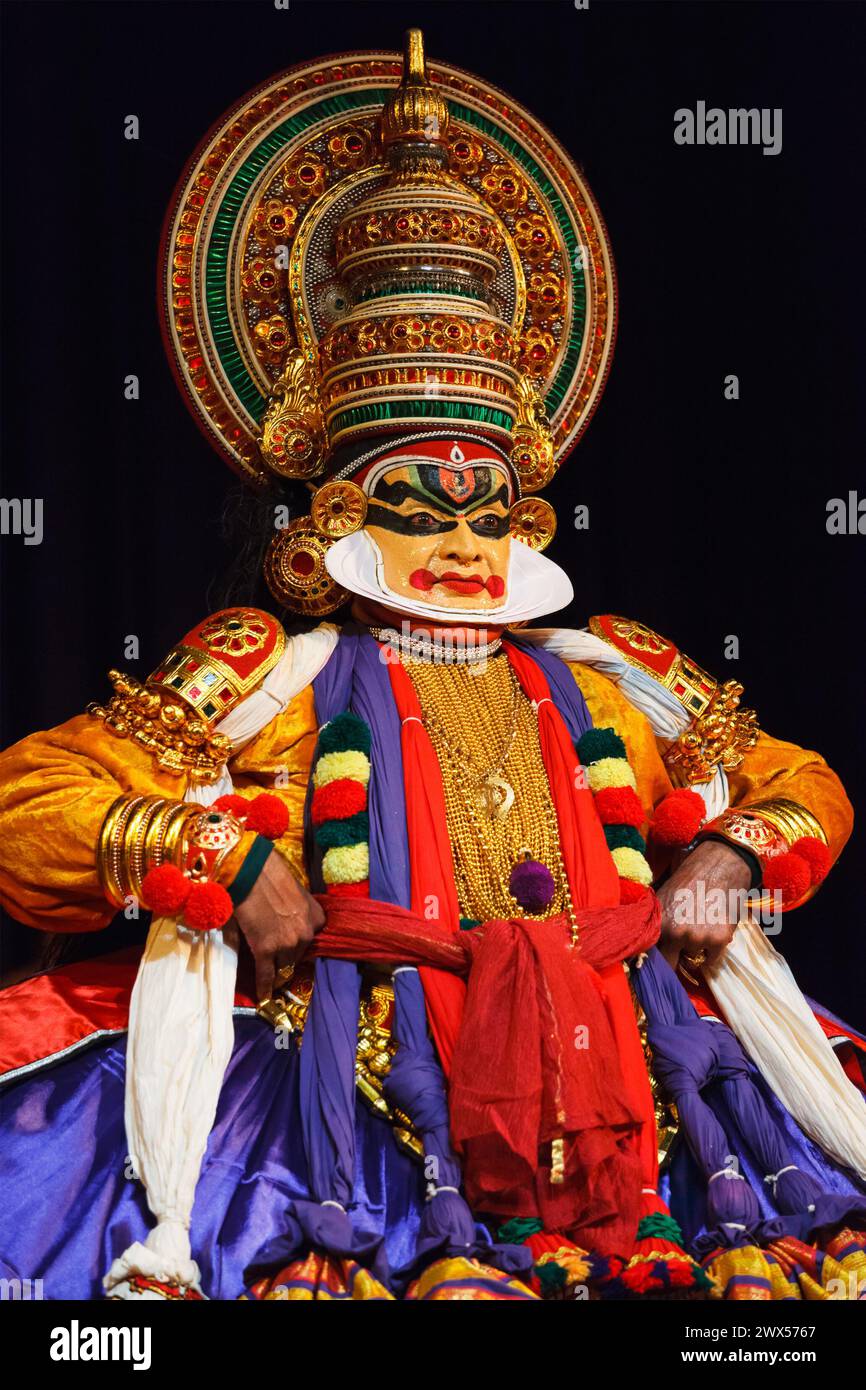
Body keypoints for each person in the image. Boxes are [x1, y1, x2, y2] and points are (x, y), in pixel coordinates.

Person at [0, 31, 864, 1302]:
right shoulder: (266, 670)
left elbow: (799, 778)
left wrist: (732, 857)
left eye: (486, 509)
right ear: (334, 522)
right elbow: (29, 809)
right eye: (419, 505)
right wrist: (227, 865)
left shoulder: (610, 669)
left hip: (646, 1099)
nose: (462, 541)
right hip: (339, 1099)